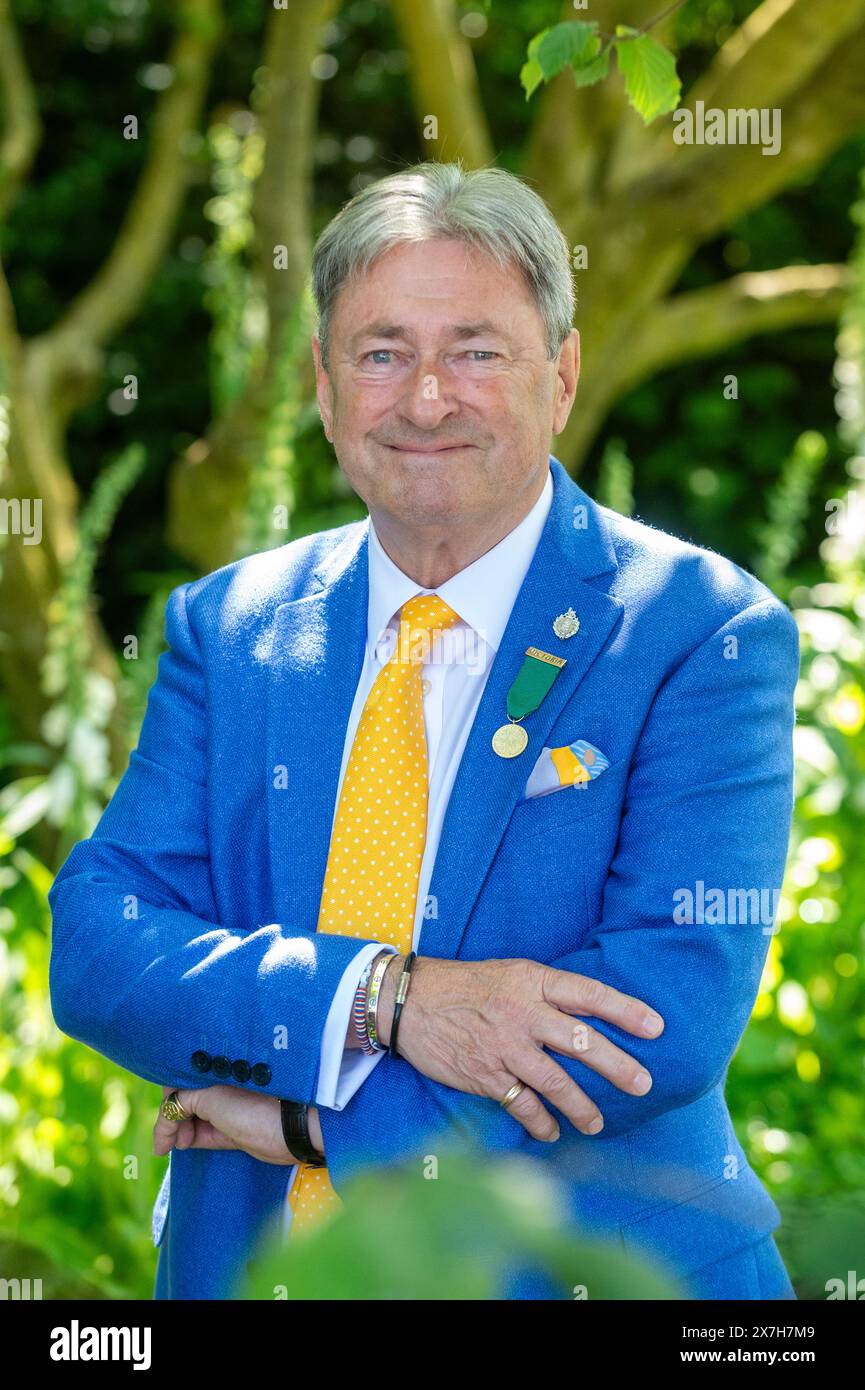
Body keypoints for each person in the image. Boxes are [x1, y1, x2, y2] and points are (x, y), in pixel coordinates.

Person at [49, 161, 799, 1300]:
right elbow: (103, 944)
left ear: (563, 372)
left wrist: (306, 1115)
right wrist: (382, 996)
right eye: (382, 351)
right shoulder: (232, 624)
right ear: (322, 380)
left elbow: (657, 1022)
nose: (427, 398)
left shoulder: (699, 631)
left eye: (477, 350)